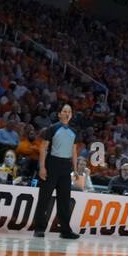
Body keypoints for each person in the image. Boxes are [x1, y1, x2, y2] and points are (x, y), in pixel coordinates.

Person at [33, 103, 79, 240]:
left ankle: (65, 230)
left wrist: (75, 170)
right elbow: (43, 148)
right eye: (64, 111)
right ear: (59, 114)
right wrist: (42, 167)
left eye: (69, 112)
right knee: (44, 198)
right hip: (52, 163)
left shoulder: (74, 132)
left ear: (71, 115)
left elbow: (74, 151)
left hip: (66, 167)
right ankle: (39, 228)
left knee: (64, 200)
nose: (67, 113)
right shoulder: (52, 129)